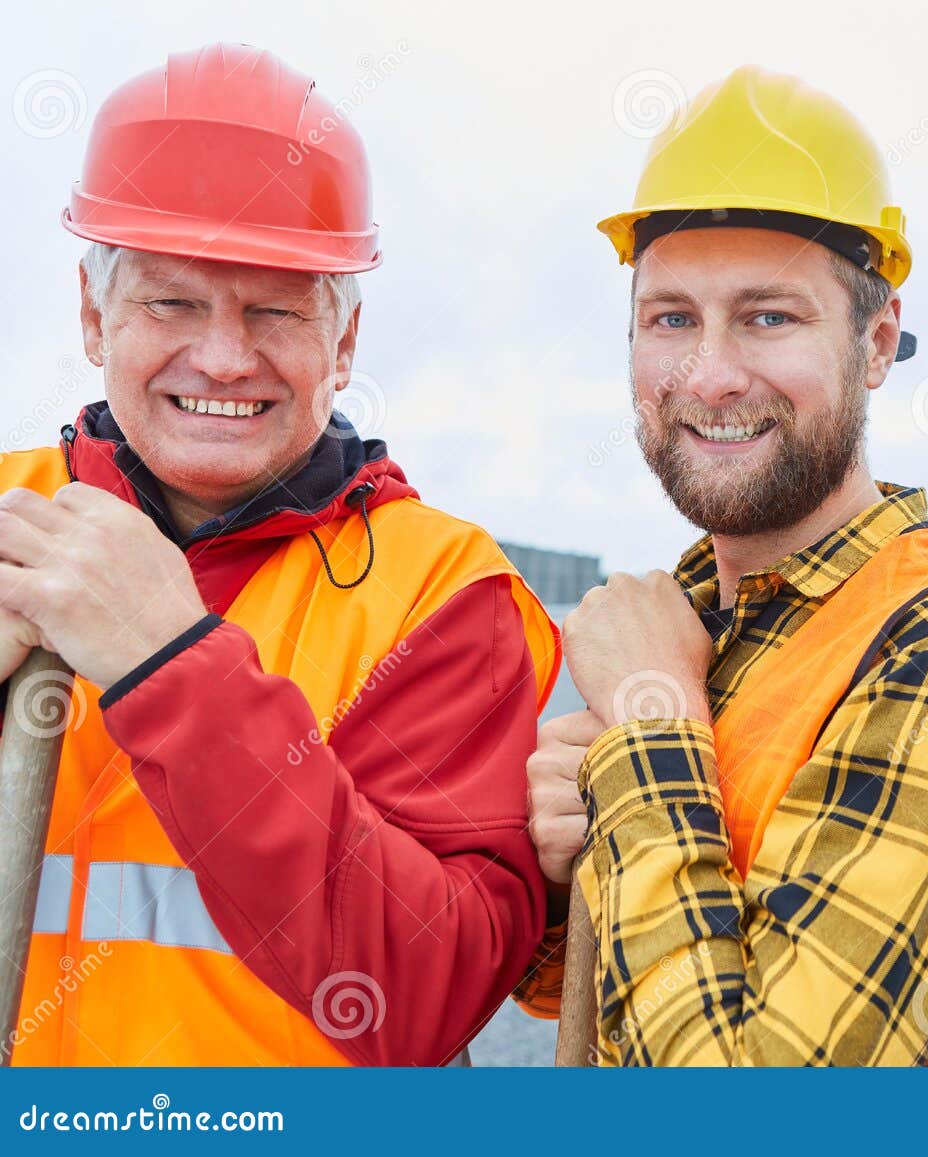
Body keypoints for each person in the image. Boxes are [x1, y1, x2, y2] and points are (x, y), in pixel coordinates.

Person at [0, 45, 560, 1066]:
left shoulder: (440, 591)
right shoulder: (7, 513)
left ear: (342, 343)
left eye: (274, 309)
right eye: (171, 301)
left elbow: (423, 991)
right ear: (93, 315)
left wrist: (169, 664)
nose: (223, 356)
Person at [520, 66, 928, 1065]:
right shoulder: (691, 621)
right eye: (672, 318)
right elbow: (598, 1000)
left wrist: (651, 729)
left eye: (768, 315)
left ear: (874, 342)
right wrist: (566, 873)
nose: (711, 373)